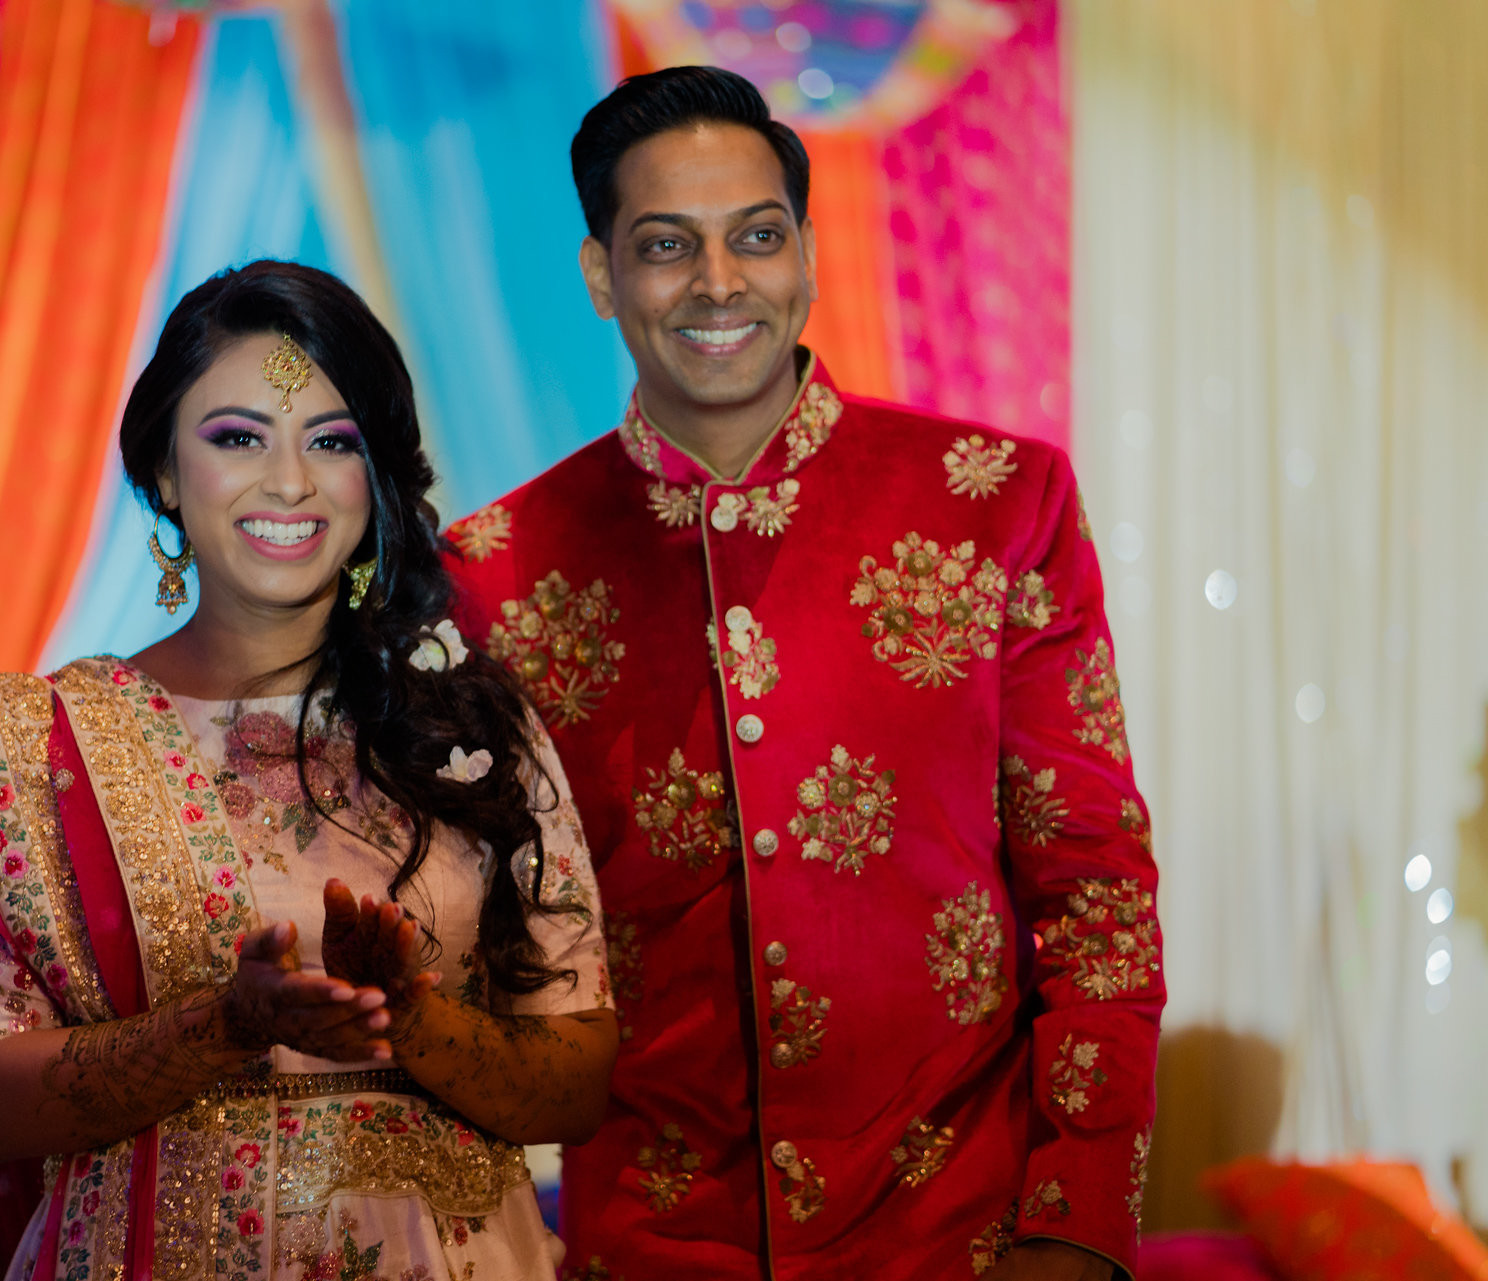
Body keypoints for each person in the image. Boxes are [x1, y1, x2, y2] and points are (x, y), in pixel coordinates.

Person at [444, 68, 1162, 1281]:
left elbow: (1094, 894)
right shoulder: (500, 570)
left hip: (964, 1233)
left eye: (757, 237)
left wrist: (1076, 1223)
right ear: (601, 277)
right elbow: (480, 946)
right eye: (667, 246)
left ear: (808, 257)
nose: (719, 284)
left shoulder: (997, 503)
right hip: (654, 1245)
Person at [0, 261, 618, 1281]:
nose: (287, 482)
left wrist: (413, 1019)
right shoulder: (36, 749)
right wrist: (227, 1025)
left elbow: (577, 1087)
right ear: (162, 467)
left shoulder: (474, 732)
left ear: (373, 482)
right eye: (238, 437)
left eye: (331, 442)